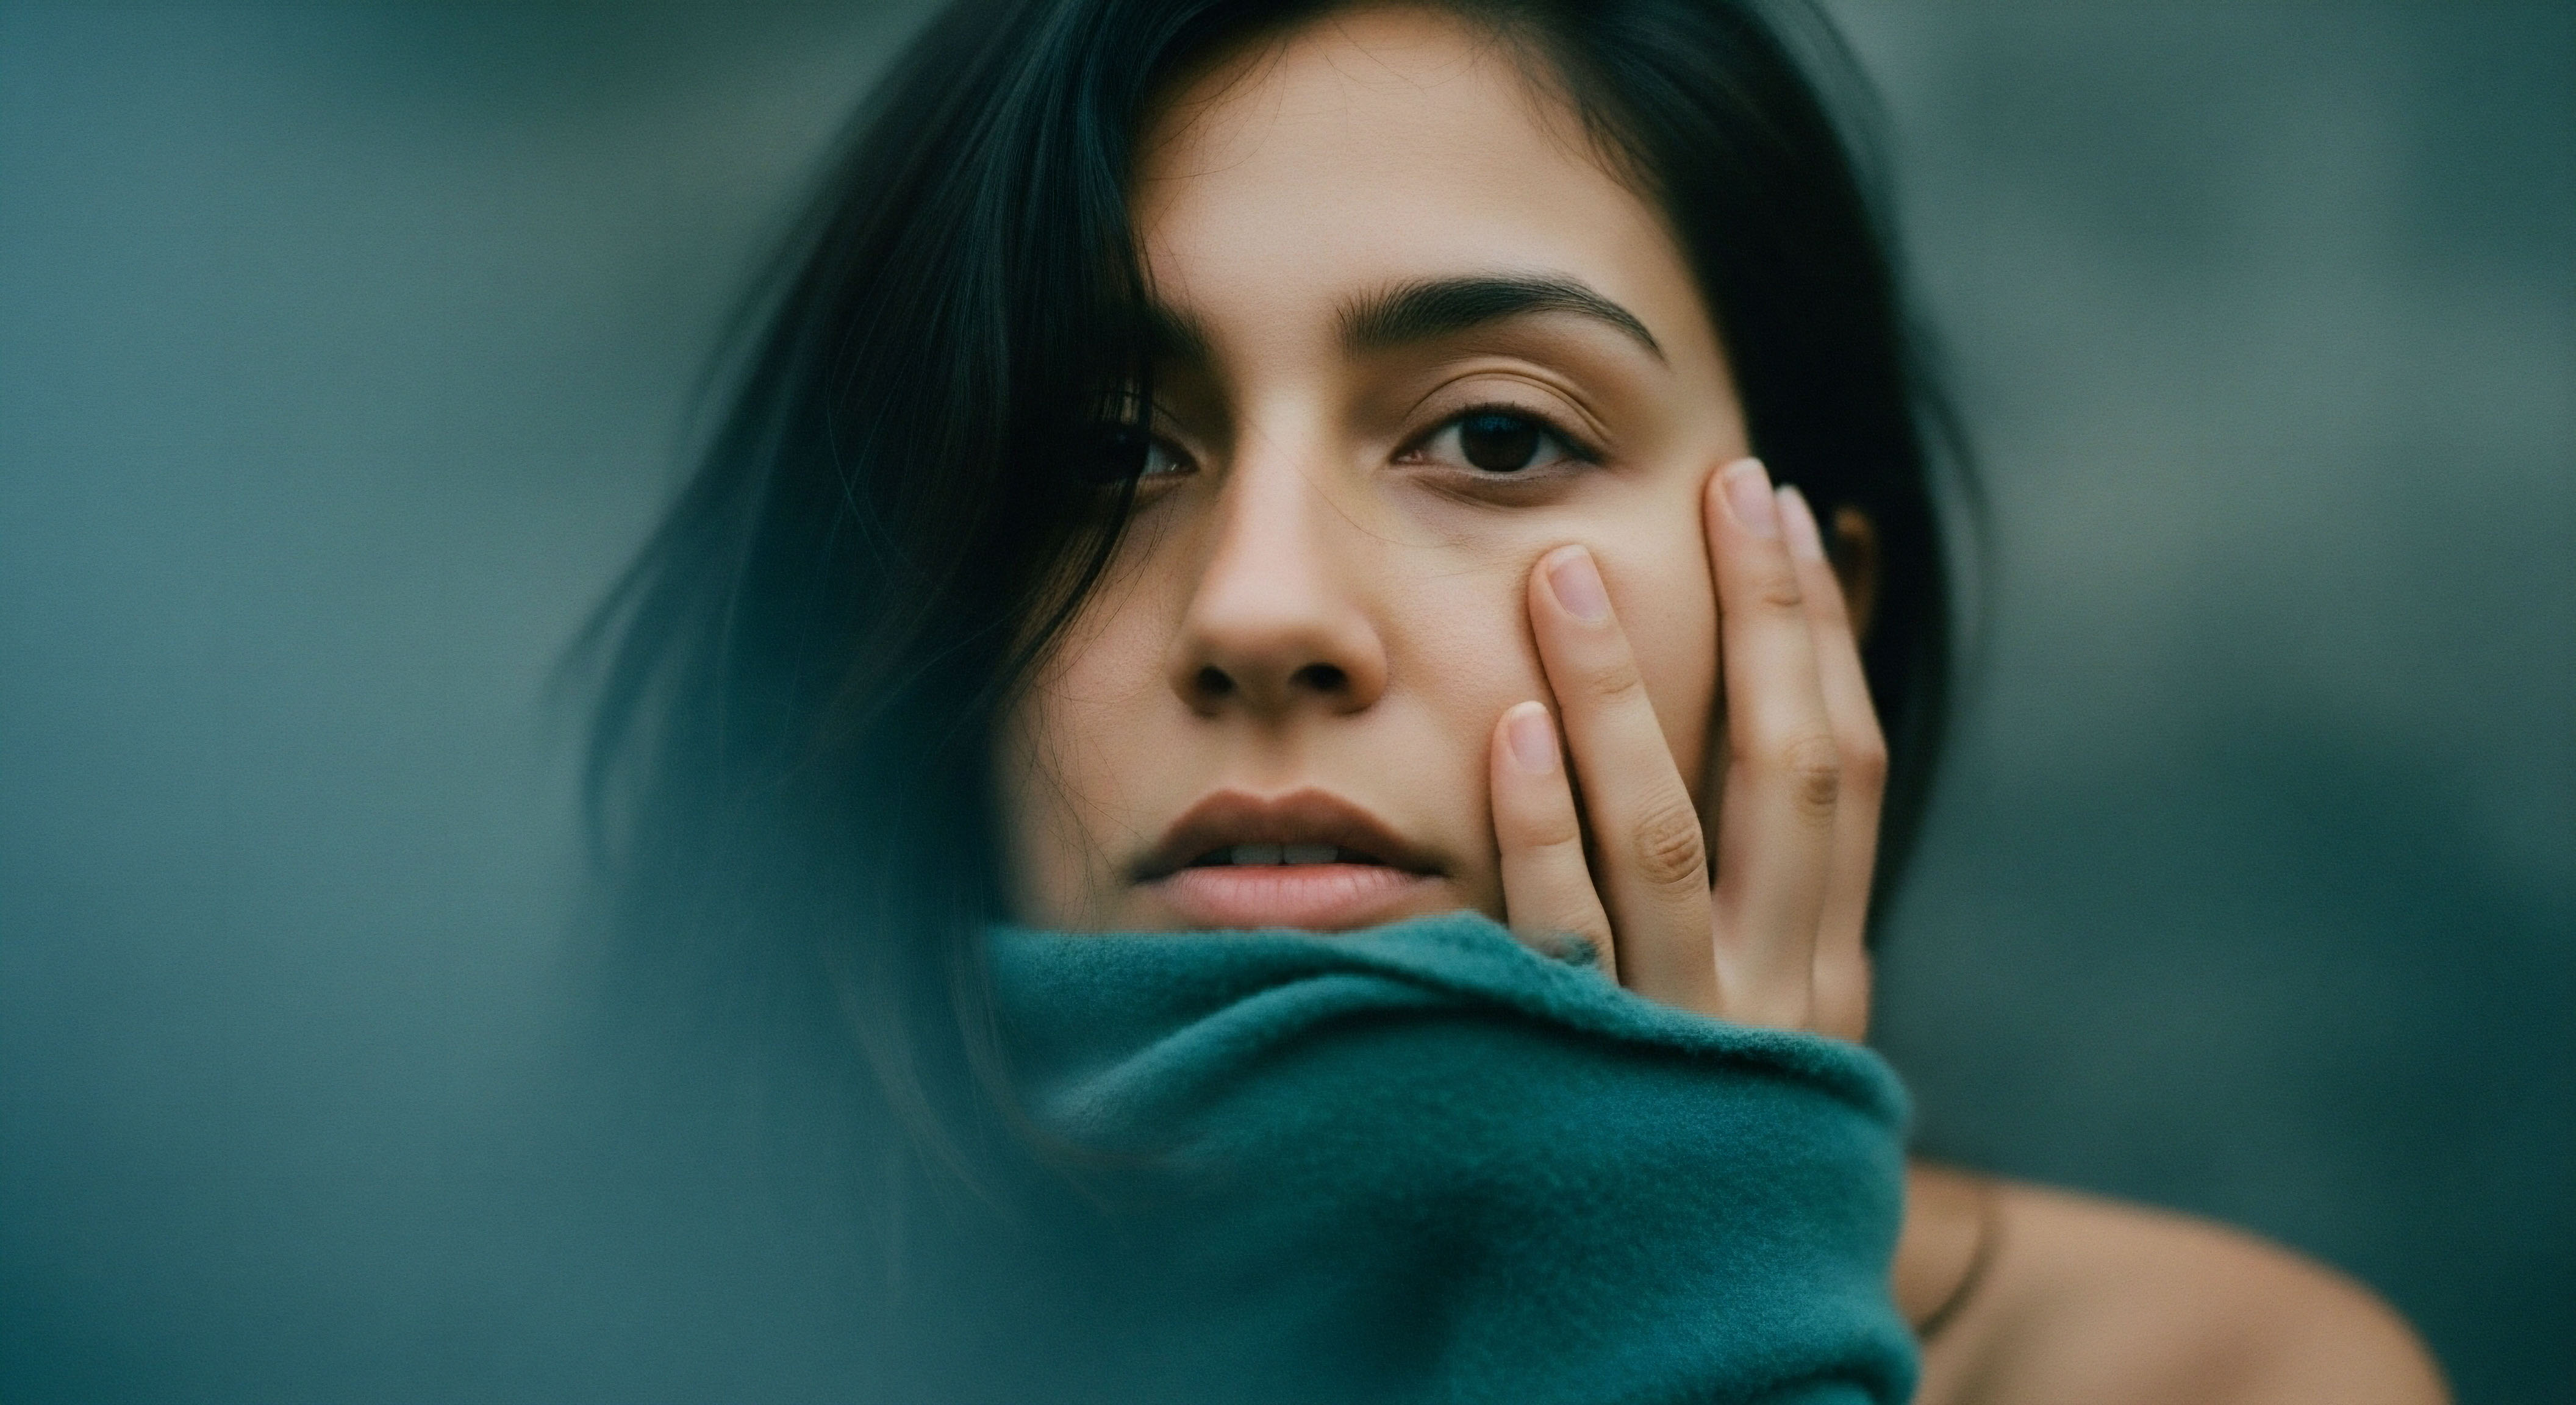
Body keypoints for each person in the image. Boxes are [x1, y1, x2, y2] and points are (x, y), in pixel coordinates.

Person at [582, 0, 2448, 1400]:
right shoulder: (548, 1331)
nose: (1261, 612)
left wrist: (1696, 1301)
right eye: (1098, 451)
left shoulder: (2205, 1379)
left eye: (1495, 435)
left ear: (1809, 624)